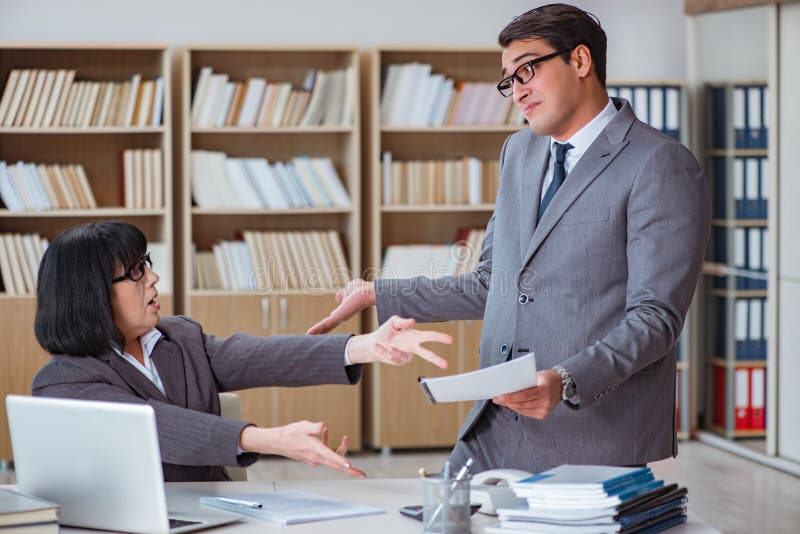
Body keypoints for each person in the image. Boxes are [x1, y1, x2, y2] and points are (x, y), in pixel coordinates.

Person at [308, 3, 711, 473]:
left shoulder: (658, 163)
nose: (517, 92)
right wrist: (377, 292)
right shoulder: (520, 150)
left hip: (590, 432)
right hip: (494, 425)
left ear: (580, 61)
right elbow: (493, 283)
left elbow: (655, 319)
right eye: (509, 81)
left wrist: (564, 381)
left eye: (527, 71)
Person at [31, 221, 452, 482]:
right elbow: (153, 426)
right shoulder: (63, 379)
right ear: (91, 295)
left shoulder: (177, 337)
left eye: (148, 263)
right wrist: (272, 440)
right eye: (137, 271)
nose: (154, 277)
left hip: (213, 513)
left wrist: (366, 345)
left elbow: (259, 355)